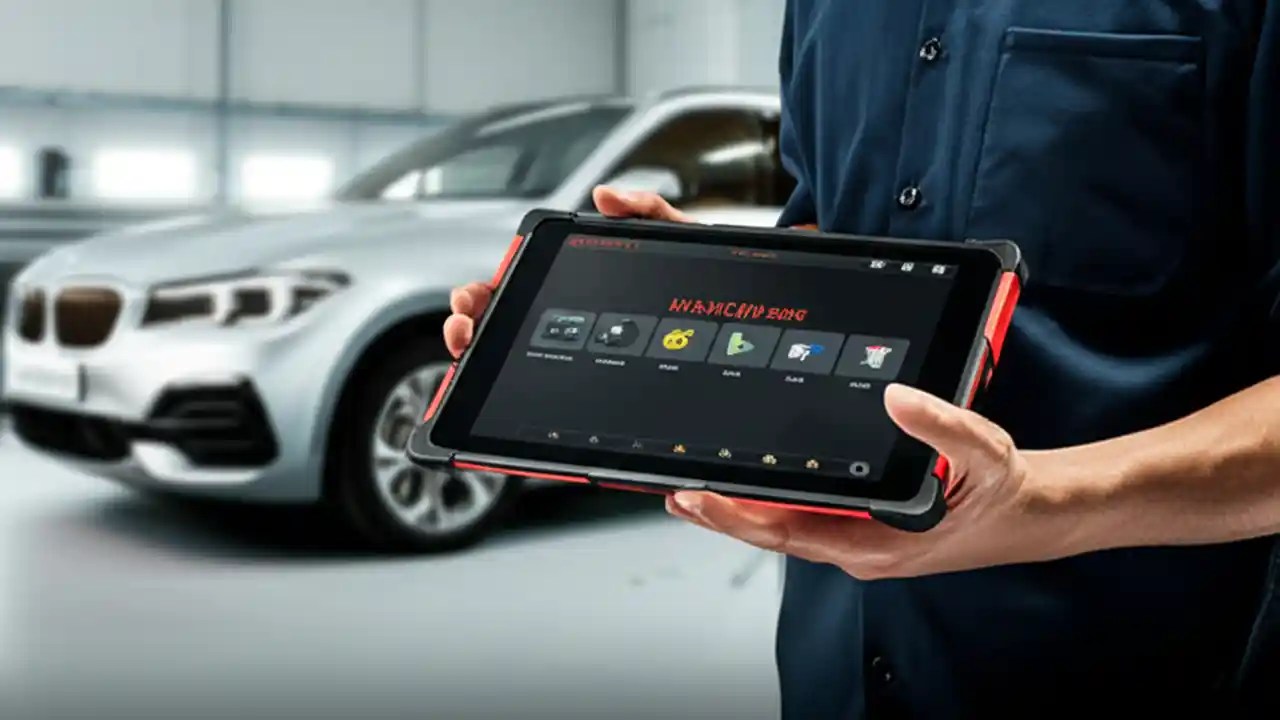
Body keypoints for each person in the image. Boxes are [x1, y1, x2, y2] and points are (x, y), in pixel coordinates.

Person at [447, 1, 1280, 717]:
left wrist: (1047, 499)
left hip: (1137, 666)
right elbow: (839, 240)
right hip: (834, 667)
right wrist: (703, 288)